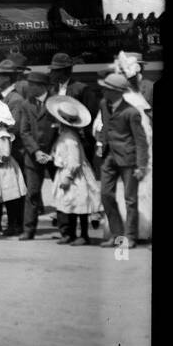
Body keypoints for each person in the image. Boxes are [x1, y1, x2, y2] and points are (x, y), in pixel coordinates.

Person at [96, 71, 149, 247]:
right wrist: (101, 144)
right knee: (105, 195)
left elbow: (141, 141)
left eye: (107, 89)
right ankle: (117, 234)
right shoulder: (104, 103)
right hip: (109, 157)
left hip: (128, 159)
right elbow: (105, 126)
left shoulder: (131, 112)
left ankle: (130, 237)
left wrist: (141, 166)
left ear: (118, 91)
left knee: (130, 199)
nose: (104, 91)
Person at [46, 95, 99, 246]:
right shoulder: (64, 136)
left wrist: (68, 177)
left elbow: (74, 161)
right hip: (66, 171)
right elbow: (61, 154)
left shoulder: (70, 139)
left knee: (79, 206)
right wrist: (52, 157)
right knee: (69, 205)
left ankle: (83, 234)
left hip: (74, 175)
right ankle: (70, 234)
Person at [15, 70, 57, 240]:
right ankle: (29, 229)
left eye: (32, 85)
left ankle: (66, 229)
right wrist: (36, 151)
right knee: (32, 192)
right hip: (33, 155)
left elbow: (61, 129)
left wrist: (53, 152)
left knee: (60, 190)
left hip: (54, 154)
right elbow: (24, 131)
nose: (29, 87)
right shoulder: (26, 104)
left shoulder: (55, 102)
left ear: (42, 86)